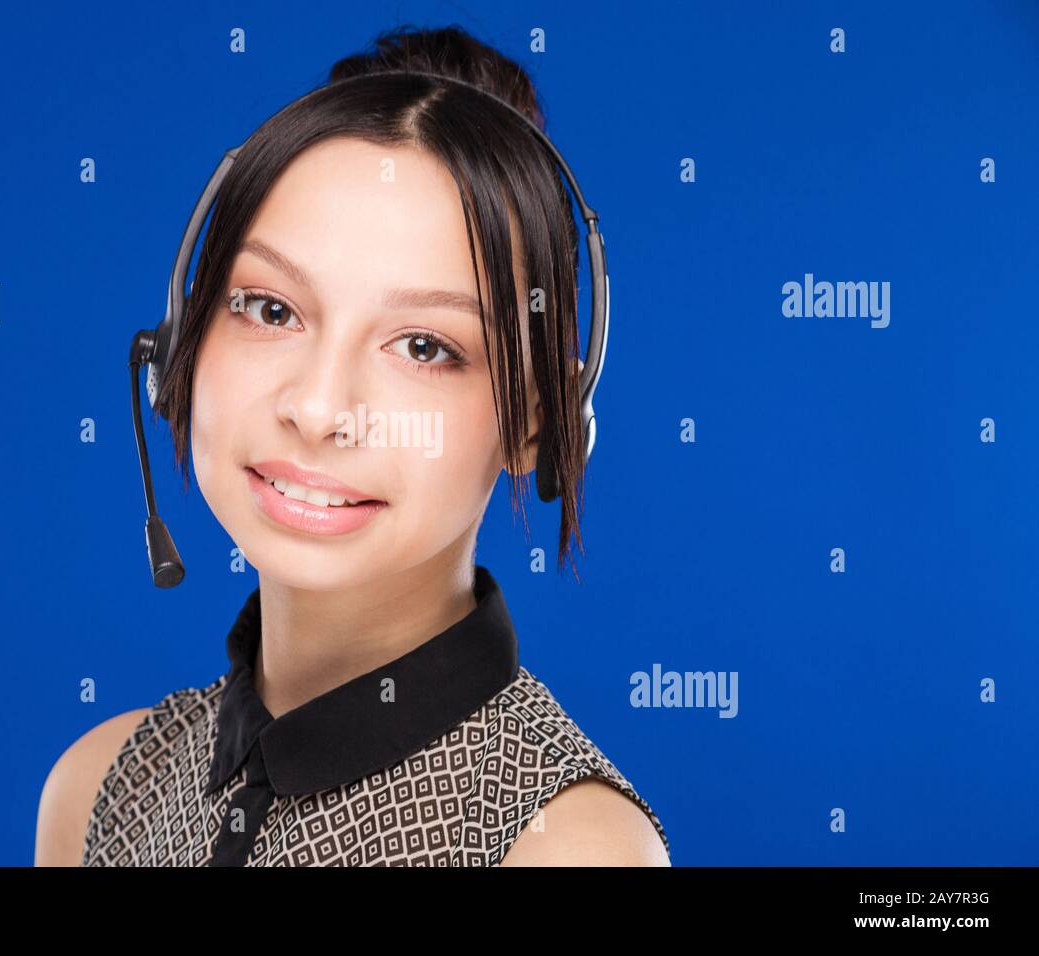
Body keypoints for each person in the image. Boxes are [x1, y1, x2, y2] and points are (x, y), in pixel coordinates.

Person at [36, 24, 671, 867]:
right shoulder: (100, 786)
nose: (319, 407)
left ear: (536, 426)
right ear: (179, 343)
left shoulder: (566, 848)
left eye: (424, 346)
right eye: (270, 309)